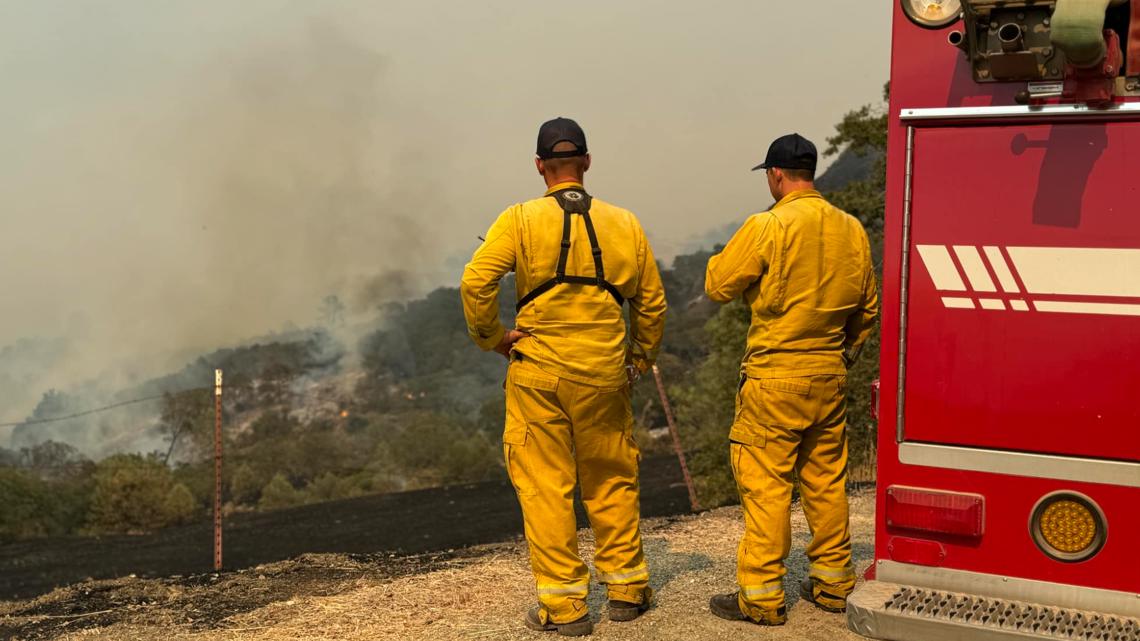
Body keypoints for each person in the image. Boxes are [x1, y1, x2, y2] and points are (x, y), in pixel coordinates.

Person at [460, 117, 667, 637]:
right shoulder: (625, 222)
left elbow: (476, 280)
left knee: (546, 488)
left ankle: (566, 609)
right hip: (604, 373)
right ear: (588, 163)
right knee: (612, 480)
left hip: (539, 374)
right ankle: (626, 591)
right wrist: (638, 358)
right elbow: (652, 304)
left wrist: (494, 338)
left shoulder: (520, 219)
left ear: (539, 167)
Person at [704, 133, 879, 626]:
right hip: (828, 375)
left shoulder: (769, 224)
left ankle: (761, 596)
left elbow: (717, 285)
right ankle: (833, 582)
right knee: (825, 482)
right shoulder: (851, 229)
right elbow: (867, 310)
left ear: (776, 175)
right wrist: (843, 356)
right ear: (812, 172)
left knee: (767, 486)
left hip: (775, 376)